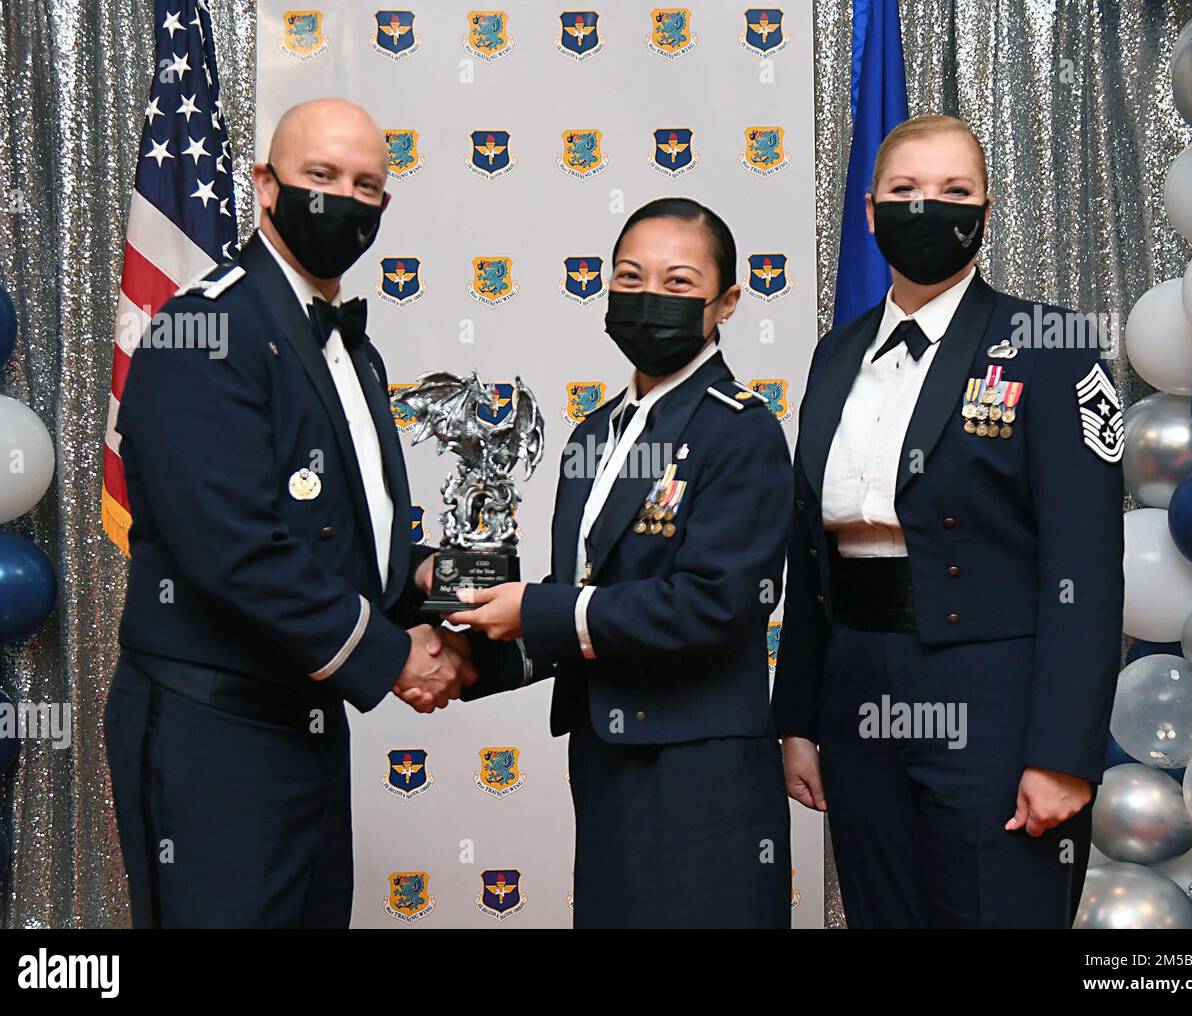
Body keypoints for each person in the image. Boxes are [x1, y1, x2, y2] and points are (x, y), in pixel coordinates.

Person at [105, 98, 471, 928]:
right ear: (265, 185)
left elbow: (341, 532)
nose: (343, 199)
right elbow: (234, 550)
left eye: (366, 185)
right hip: (213, 729)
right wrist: (392, 656)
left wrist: (446, 586)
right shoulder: (201, 330)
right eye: (321, 176)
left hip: (303, 718)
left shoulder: (349, 346)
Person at [772, 115, 1124, 928]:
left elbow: (1087, 566)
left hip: (996, 704)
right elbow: (810, 553)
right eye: (904, 192)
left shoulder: (1051, 345)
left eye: (953, 192)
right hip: (858, 692)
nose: (926, 208)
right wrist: (797, 721)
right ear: (869, 212)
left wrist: (1064, 754)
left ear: (986, 212)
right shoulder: (837, 353)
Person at [447, 198, 794, 929]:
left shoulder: (743, 433)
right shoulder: (594, 435)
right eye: (630, 279)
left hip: (700, 768)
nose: (648, 301)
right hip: (605, 756)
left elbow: (711, 605)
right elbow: (581, 605)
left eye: (677, 284)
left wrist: (535, 612)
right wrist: (462, 652)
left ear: (725, 302)